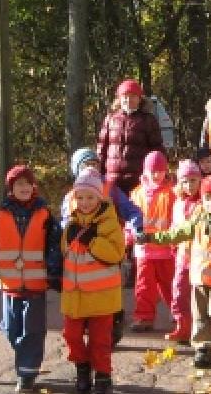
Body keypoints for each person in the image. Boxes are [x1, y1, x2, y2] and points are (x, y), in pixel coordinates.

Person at [138, 178, 211, 369]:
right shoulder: (198, 219)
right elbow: (176, 233)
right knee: (200, 314)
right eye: (207, 199)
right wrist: (151, 237)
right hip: (200, 278)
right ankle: (203, 347)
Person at [0, 165, 62, 393]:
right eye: (18, 184)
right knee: (11, 330)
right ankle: (25, 358)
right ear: (11, 189)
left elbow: (54, 245)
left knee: (32, 331)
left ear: (34, 187)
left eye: (27, 183)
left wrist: (54, 272)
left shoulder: (44, 214)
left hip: (35, 285)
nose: (24, 187)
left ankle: (27, 375)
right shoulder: (1, 214)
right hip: (9, 284)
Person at [61, 169, 127, 394]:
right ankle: (82, 367)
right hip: (75, 294)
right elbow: (65, 251)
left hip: (102, 296)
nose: (85, 202)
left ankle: (102, 375)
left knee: (100, 340)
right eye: (80, 197)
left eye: (90, 197)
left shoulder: (109, 221)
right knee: (71, 335)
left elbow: (117, 253)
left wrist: (93, 241)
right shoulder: (71, 221)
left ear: (99, 197)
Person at [128, 151, 176, 332]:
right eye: (152, 171)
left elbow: (176, 218)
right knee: (143, 286)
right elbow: (130, 219)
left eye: (160, 170)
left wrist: (176, 241)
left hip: (166, 249)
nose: (156, 175)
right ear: (145, 171)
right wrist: (128, 235)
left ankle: (178, 313)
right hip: (143, 250)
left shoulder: (171, 193)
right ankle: (144, 317)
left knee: (171, 284)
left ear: (165, 171)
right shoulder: (136, 194)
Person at [96, 79, 166, 196]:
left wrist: (160, 171)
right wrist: (99, 172)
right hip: (112, 180)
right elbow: (102, 148)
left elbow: (157, 149)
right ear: (119, 98)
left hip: (138, 180)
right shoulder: (110, 119)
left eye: (133, 96)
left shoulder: (148, 120)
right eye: (125, 96)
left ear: (139, 99)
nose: (128, 100)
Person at [167, 160, 202, 343]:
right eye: (185, 181)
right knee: (179, 291)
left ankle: (203, 329)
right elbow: (175, 227)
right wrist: (173, 245)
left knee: (200, 296)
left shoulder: (205, 202)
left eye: (193, 180)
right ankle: (183, 326)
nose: (189, 185)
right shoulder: (178, 203)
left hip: (200, 257)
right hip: (182, 255)